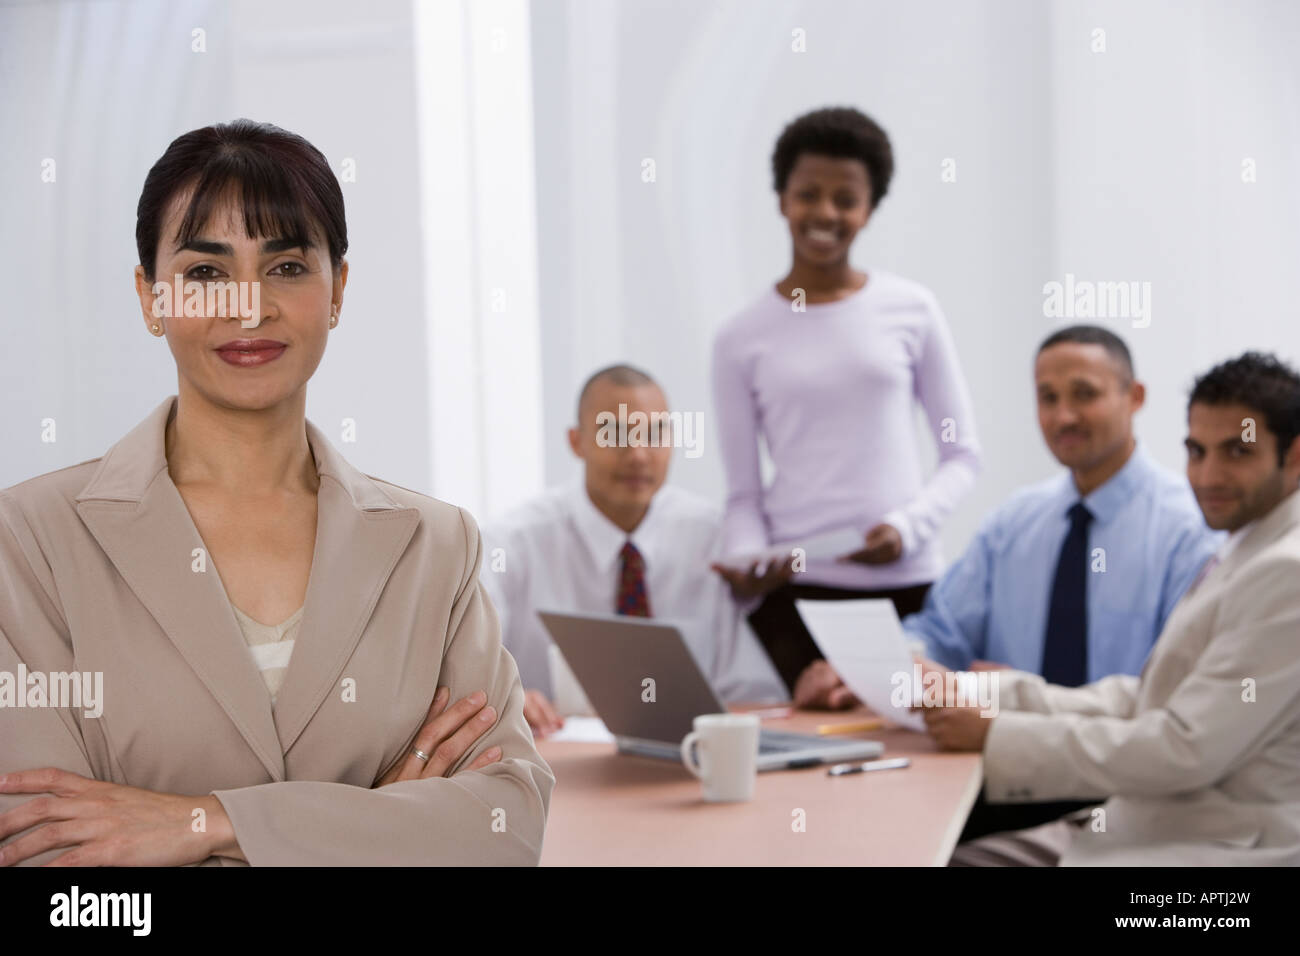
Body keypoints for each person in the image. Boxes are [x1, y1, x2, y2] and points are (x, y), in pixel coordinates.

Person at [0, 119, 552, 866]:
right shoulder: (29, 542)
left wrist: (198, 824)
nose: (248, 308)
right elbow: (51, 863)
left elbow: (506, 827)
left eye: (287, 267)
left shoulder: (436, 546)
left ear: (337, 290)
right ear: (150, 297)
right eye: (206, 273)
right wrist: (375, 826)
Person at [923, 351, 1300, 865]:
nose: (1208, 475)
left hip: (1217, 847)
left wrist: (996, 733)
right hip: (1148, 817)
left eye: (1237, 452)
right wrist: (978, 690)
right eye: (1196, 451)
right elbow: (1149, 697)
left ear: (1295, 455)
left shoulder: (1286, 568)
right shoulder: (1246, 542)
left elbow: (1183, 748)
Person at [797, 325, 1221, 709]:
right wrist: (875, 669)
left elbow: (1175, 688)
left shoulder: (1191, 530)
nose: (1063, 416)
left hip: (1127, 773)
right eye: (1047, 398)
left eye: (1084, 394)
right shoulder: (1012, 524)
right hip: (998, 766)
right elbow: (942, 634)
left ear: (1135, 397)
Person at [711, 106, 982, 694]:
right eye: (808, 194)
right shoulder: (739, 337)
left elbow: (963, 456)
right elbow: (742, 495)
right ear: (782, 199)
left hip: (908, 588)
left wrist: (907, 529)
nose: (825, 213)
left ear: (870, 208)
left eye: (845, 198)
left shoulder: (912, 309)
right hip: (795, 600)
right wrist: (750, 561)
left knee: (913, 757)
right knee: (811, 763)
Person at [481, 365, 786, 735]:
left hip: (680, 765)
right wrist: (503, 698)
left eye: (655, 434)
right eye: (616, 434)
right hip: (553, 768)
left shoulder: (712, 539)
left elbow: (757, 695)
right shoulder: (510, 544)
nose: (639, 454)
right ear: (576, 442)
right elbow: (466, 668)